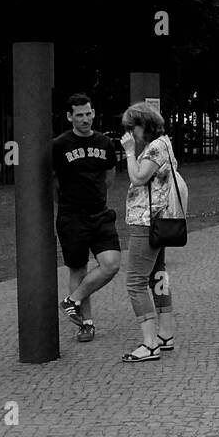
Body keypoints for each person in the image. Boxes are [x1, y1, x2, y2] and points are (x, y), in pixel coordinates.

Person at [54, 93, 121, 344]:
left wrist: (98, 197)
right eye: (79, 115)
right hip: (72, 216)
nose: (85, 119)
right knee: (78, 268)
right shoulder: (60, 145)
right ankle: (86, 324)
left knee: (111, 264)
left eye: (88, 113)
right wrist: (66, 203)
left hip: (100, 213)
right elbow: (53, 181)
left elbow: (110, 175)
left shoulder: (104, 143)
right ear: (70, 117)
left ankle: (71, 301)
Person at [118, 101, 180, 362]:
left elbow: (138, 178)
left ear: (144, 125)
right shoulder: (165, 142)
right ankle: (165, 335)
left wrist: (130, 152)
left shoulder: (154, 148)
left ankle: (150, 343)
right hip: (160, 221)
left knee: (135, 282)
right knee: (158, 276)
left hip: (146, 222)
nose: (131, 134)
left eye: (132, 128)